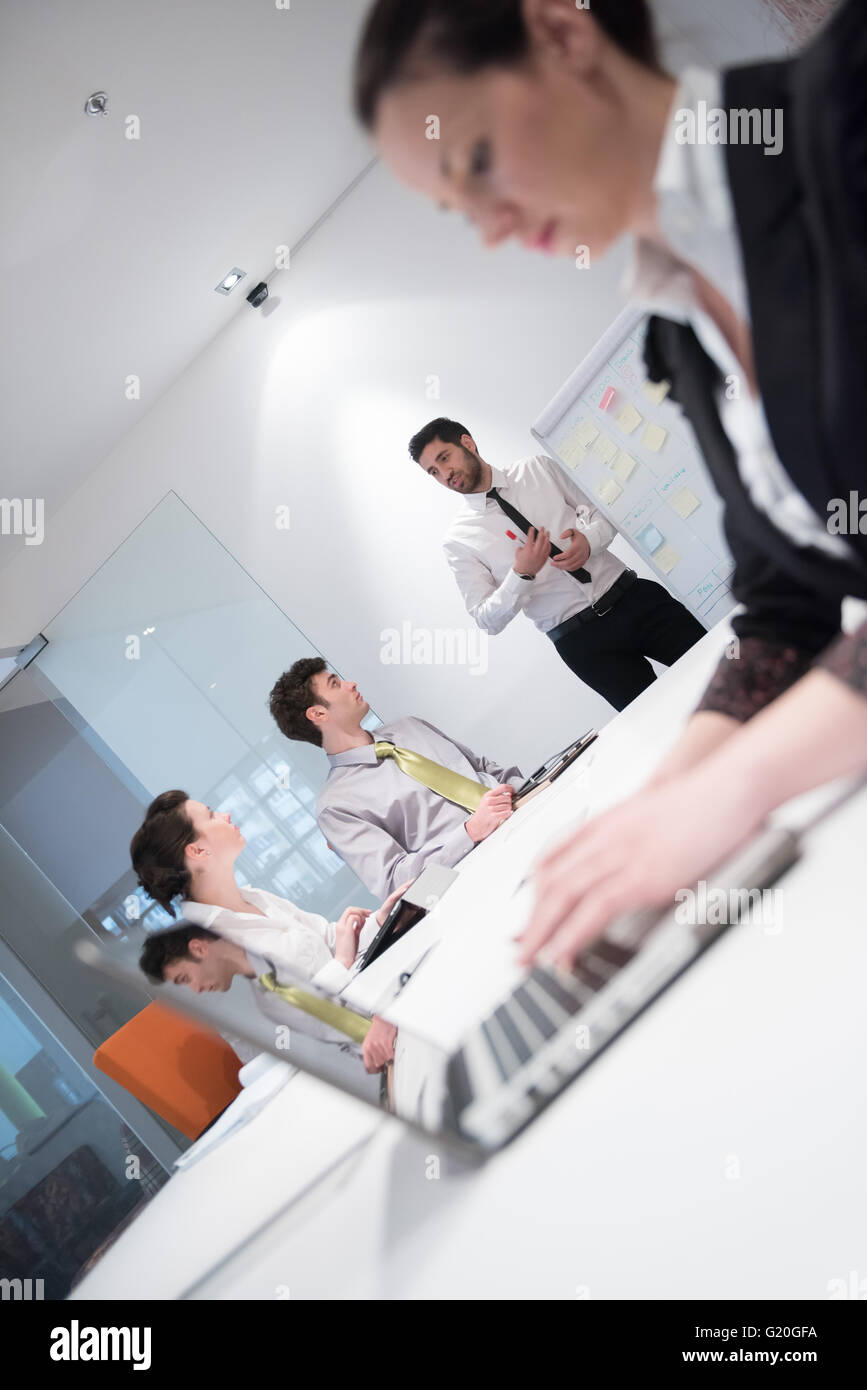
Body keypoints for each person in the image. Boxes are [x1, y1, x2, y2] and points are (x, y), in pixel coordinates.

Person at [353, 0, 867, 962]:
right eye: (457, 211)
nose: (492, 228)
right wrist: (668, 796)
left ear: (560, 34)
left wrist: (737, 786)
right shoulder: (679, 327)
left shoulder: (839, 113)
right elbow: (784, 603)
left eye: (475, 165)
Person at [409, 416, 705, 709]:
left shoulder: (537, 468)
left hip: (634, 599)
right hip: (585, 644)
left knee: (729, 671)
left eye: (445, 459)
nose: (445, 474)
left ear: (468, 443)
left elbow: (604, 511)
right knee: (660, 724)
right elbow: (486, 619)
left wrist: (590, 541)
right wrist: (520, 575)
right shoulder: (459, 541)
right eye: (434, 471)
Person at [130, 789, 400, 1073]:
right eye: (211, 816)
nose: (225, 815)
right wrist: (341, 964)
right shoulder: (202, 951)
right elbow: (285, 1039)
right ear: (198, 851)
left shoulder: (253, 897)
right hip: (340, 1066)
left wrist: (383, 921)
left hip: (373, 1020)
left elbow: (330, 940)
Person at [268, 657, 523, 897]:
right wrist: (470, 833)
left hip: (524, 814)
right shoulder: (336, 806)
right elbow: (396, 883)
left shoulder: (410, 727)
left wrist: (530, 790)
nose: (350, 684)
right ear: (318, 714)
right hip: (478, 877)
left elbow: (484, 768)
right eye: (335, 684)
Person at [138, 922, 397, 1078]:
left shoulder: (276, 944)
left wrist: (341, 964)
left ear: (198, 948)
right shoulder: (228, 1009)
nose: (195, 989)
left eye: (185, 978)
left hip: (386, 1019)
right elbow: (263, 1071)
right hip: (363, 1063)